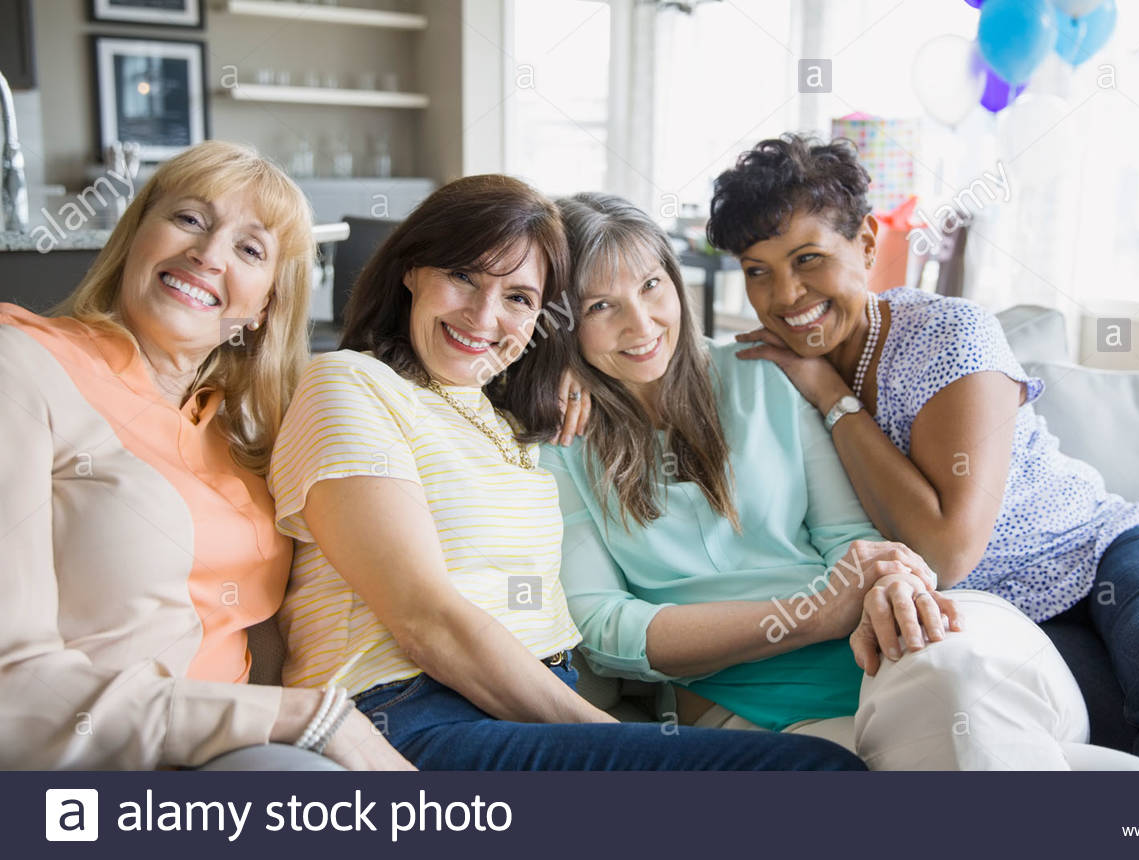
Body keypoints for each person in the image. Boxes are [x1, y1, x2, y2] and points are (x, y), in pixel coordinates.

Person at [703, 133, 1139, 770]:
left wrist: (832, 396)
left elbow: (949, 550)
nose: (787, 293)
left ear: (868, 243)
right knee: (1084, 721)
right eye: (758, 271)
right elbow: (649, 373)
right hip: (1005, 624)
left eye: (808, 258)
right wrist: (577, 376)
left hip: (1106, 553)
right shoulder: (765, 378)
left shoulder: (945, 334)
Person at [543, 192, 1139, 770]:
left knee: (951, 682)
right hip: (776, 708)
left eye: (652, 285)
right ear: (562, 322)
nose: (642, 323)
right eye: (601, 305)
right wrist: (810, 615)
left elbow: (848, 533)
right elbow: (603, 628)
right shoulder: (557, 446)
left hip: (921, 645)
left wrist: (887, 579)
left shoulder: (763, 374)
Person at [264, 174, 864, 771]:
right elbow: (427, 622)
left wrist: (563, 371)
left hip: (528, 705)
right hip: (410, 710)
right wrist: (620, 741)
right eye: (462, 276)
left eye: (519, 298)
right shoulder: (350, 384)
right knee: (812, 773)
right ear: (412, 270)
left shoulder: (513, 420)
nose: (483, 315)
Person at [0, 141, 410, 770]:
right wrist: (307, 719)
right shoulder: (20, 366)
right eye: (189, 219)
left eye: (250, 250)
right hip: (98, 767)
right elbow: (13, 687)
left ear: (264, 305)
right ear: (136, 236)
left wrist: (566, 372)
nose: (207, 254)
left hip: (246, 747)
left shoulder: (244, 430)